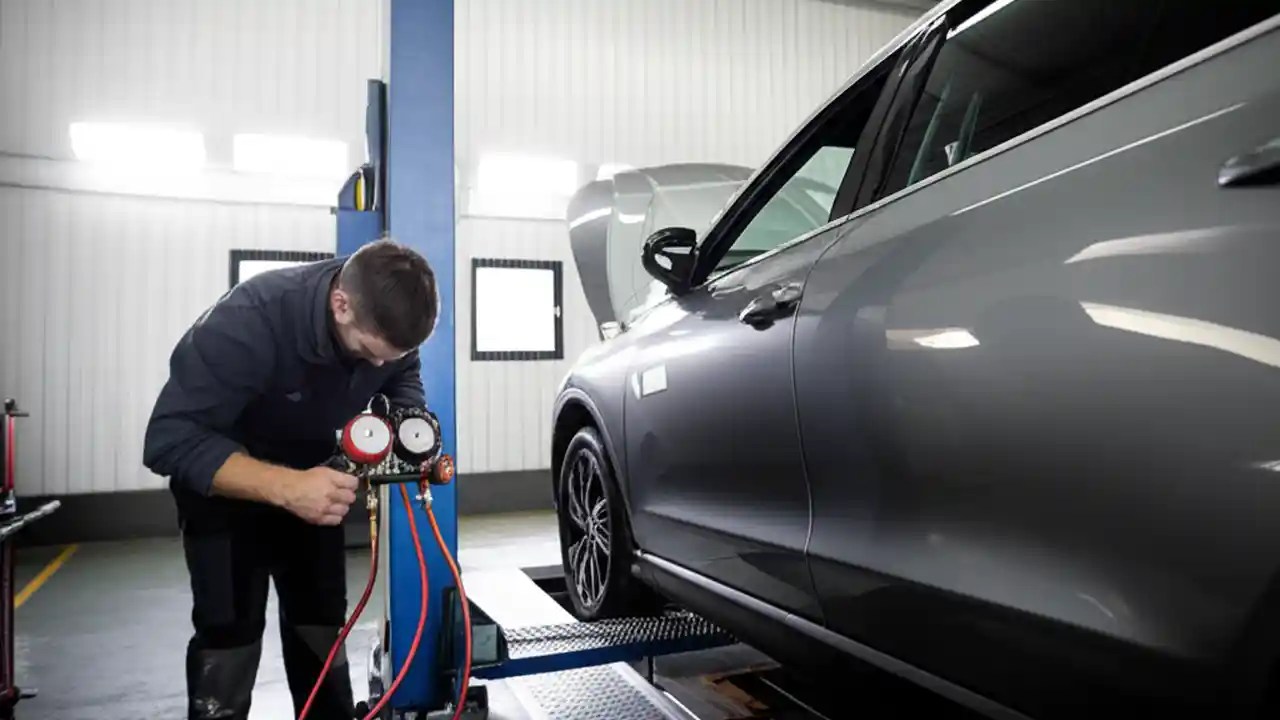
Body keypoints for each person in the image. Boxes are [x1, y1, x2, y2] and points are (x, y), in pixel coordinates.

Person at [143, 239, 438, 720]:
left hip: (317, 484)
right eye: (369, 351)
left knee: (320, 625)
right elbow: (169, 439)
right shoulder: (249, 320)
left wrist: (407, 421)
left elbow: (399, 376)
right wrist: (287, 488)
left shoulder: (387, 328)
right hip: (226, 492)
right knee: (229, 632)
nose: (379, 364)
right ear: (341, 305)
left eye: (394, 355)